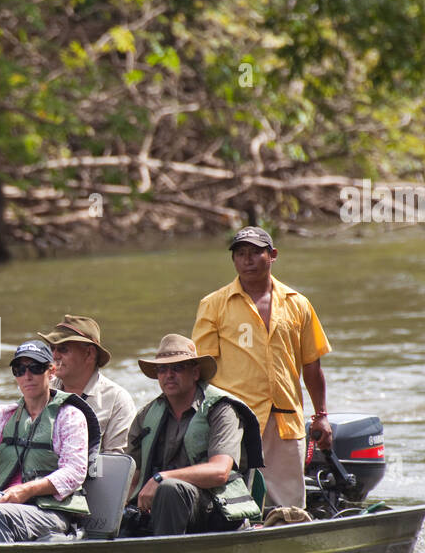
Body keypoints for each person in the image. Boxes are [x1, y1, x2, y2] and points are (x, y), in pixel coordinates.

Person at [192, 225, 332, 510]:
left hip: (284, 419)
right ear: (233, 260)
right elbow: (201, 369)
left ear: (273, 255)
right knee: (235, 503)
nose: (247, 260)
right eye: (241, 254)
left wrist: (321, 416)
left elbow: (312, 365)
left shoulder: (298, 304)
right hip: (234, 419)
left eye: (256, 253)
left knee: (288, 508)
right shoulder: (214, 304)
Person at [0, 340, 100, 543]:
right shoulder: (1, 416)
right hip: (1, 503)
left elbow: (74, 472)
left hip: (50, 511)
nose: (27, 376)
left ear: (51, 371)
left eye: (35, 368)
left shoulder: (70, 416)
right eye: (19, 370)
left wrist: (27, 490)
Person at [126, 335, 265, 537]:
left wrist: (161, 477)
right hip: (162, 506)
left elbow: (219, 471)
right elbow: (132, 476)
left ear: (195, 372)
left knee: (169, 489)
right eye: (162, 369)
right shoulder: (146, 416)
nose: (169, 375)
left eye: (178, 368)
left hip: (215, 505)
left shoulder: (221, 410)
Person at [39, 314, 135, 454]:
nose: (54, 356)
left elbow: (117, 464)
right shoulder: (41, 390)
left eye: (63, 349)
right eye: (52, 348)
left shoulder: (117, 401)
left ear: (89, 353)